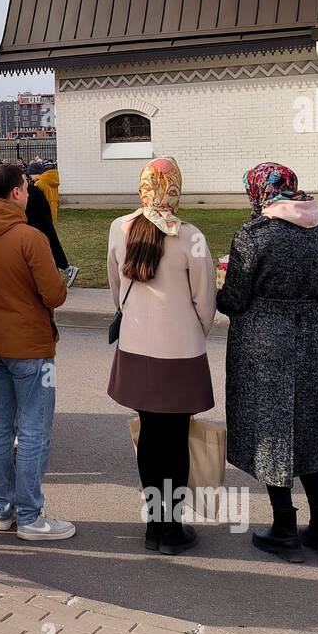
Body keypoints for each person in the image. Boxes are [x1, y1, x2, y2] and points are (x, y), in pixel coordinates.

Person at [218, 162, 318, 562]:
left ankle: (284, 525)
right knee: (306, 423)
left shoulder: (255, 236)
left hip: (263, 339)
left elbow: (235, 299)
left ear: (259, 191)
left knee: (271, 428)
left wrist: (220, 283)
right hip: (307, 334)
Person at [107, 158, 215, 555]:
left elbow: (116, 288)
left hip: (137, 348)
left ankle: (153, 525)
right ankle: (172, 527)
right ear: (176, 188)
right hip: (180, 351)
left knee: (150, 438)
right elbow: (205, 299)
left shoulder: (119, 228)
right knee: (175, 441)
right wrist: (195, 332)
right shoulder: (191, 236)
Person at [0, 164, 72, 540]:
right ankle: (30, 515)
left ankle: (3, 507)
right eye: (26, 188)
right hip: (32, 346)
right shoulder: (30, 237)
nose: (28, 193)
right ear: (15, 192)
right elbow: (55, 295)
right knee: (34, 429)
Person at [26, 176, 76, 287]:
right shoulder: (47, 183)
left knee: (48, 249)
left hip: (37, 222)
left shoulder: (35, 187)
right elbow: (46, 203)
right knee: (52, 246)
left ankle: (63, 271)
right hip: (45, 219)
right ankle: (64, 270)